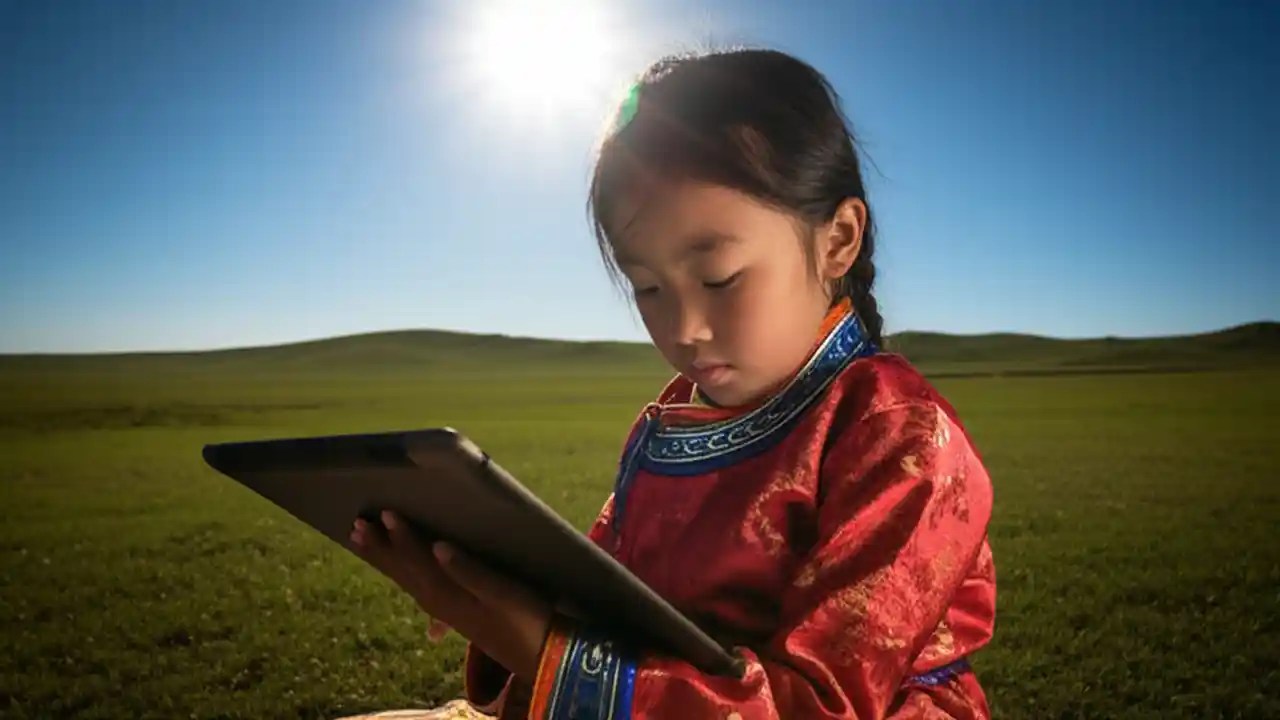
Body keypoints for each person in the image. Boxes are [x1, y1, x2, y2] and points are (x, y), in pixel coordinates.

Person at [347, 48, 997, 719]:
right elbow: (599, 596)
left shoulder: (902, 436)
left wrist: (545, 652)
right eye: (648, 287)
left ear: (838, 238)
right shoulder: (668, 421)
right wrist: (478, 588)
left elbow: (823, 706)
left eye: (720, 278)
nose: (684, 328)